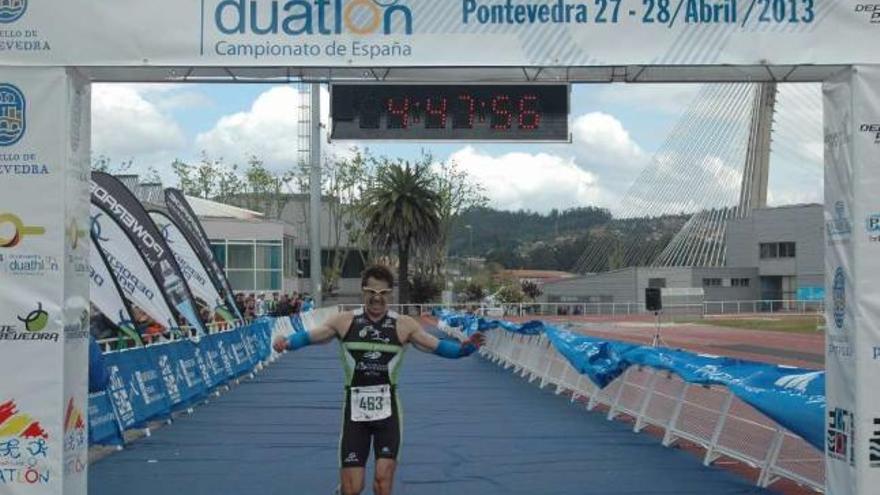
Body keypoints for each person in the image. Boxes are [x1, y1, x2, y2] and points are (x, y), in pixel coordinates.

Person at [273, 265, 485, 495]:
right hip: (355, 415)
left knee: (382, 484)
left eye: (383, 293)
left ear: (390, 294)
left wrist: (465, 349)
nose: (377, 299)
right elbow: (312, 336)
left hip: (388, 415)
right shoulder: (344, 321)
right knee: (352, 489)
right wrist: (288, 342)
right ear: (362, 292)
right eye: (371, 292)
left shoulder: (403, 325)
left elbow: (436, 346)